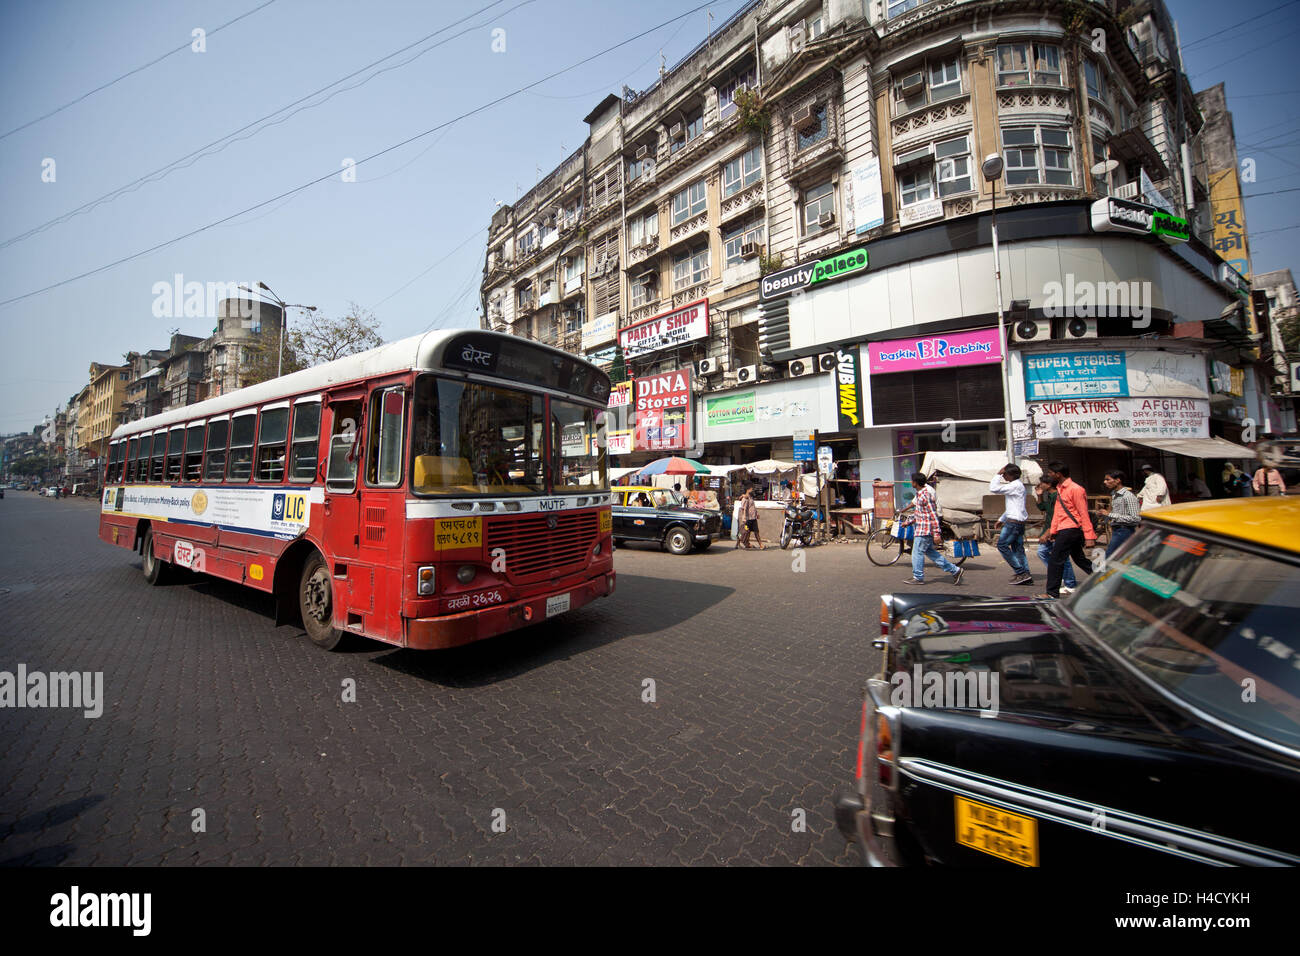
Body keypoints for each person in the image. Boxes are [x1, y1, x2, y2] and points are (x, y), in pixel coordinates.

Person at [1043, 461, 1095, 600]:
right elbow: (1057, 513)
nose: (1049, 475)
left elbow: (1083, 513)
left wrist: (1089, 536)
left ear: (1058, 474)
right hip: (1064, 529)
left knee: (1055, 560)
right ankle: (1106, 578)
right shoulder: (1060, 488)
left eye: (1050, 473)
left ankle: (1052, 593)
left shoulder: (1076, 489)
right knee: (1080, 559)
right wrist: (1053, 531)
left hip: (1071, 529)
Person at [904, 472, 964, 587]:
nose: (911, 482)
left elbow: (933, 514)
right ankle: (955, 570)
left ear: (915, 483)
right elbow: (920, 514)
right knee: (930, 552)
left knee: (917, 552)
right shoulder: (919, 494)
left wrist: (936, 533)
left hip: (924, 530)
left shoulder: (926, 495)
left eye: (912, 481)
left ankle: (918, 577)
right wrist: (909, 522)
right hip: (921, 528)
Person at [989, 463, 1032, 585]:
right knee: (1018, 550)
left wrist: (997, 474)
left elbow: (994, 488)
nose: (1004, 476)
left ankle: (1021, 572)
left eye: (1005, 474)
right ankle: (1025, 574)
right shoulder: (1016, 486)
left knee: (1002, 546)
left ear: (1011, 475)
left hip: (1013, 524)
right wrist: (1002, 519)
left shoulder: (1015, 486)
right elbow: (1013, 507)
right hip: (1016, 521)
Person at [1033, 476, 1077, 592]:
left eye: (1042, 483)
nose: (1040, 485)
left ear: (1048, 484)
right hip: (1051, 529)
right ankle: (1058, 575)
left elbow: (1055, 517)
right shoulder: (1050, 496)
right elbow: (1042, 507)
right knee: (1042, 552)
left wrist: (1049, 533)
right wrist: (1039, 495)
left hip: (1056, 530)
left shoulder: (1057, 496)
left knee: (1063, 558)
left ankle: (1070, 583)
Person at [1102, 470, 1141, 557]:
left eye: (1108, 479)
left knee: (1109, 558)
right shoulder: (1115, 495)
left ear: (1118, 480)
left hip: (1124, 530)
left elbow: (1136, 518)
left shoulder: (1128, 496)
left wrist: (1110, 514)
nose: (1105, 482)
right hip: (1117, 530)